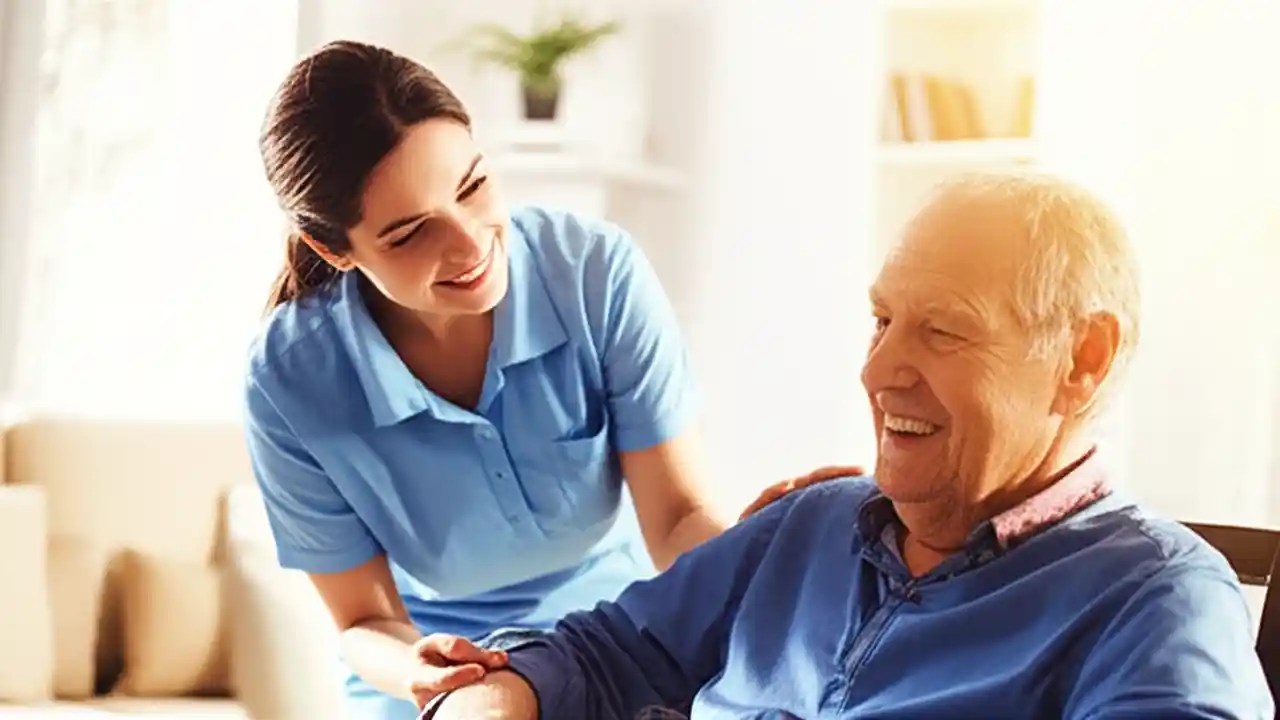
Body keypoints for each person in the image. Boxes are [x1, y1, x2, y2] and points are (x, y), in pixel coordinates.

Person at [428, 172, 1275, 719]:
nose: (879, 371)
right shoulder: (808, 525)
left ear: (1080, 363)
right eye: (881, 321)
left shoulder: (1159, 599)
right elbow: (609, 654)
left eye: (942, 331)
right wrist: (493, 700)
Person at [242, 40, 856, 719]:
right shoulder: (291, 379)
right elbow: (363, 622)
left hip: (615, 644)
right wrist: (421, 671)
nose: (471, 244)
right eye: (412, 232)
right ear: (336, 248)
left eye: (472, 186)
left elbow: (677, 518)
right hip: (436, 678)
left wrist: (755, 549)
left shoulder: (594, 276)